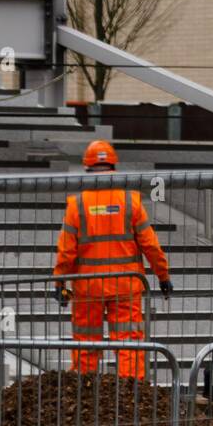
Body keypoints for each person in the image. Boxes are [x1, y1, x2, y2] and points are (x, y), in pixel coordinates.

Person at [53, 140, 172, 378]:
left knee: (86, 343)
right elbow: (150, 244)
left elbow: (66, 251)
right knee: (129, 342)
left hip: (88, 287)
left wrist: (59, 283)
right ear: (114, 167)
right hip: (126, 285)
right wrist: (163, 276)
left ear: (87, 169)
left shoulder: (77, 205)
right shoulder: (130, 201)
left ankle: (83, 393)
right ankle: (132, 395)